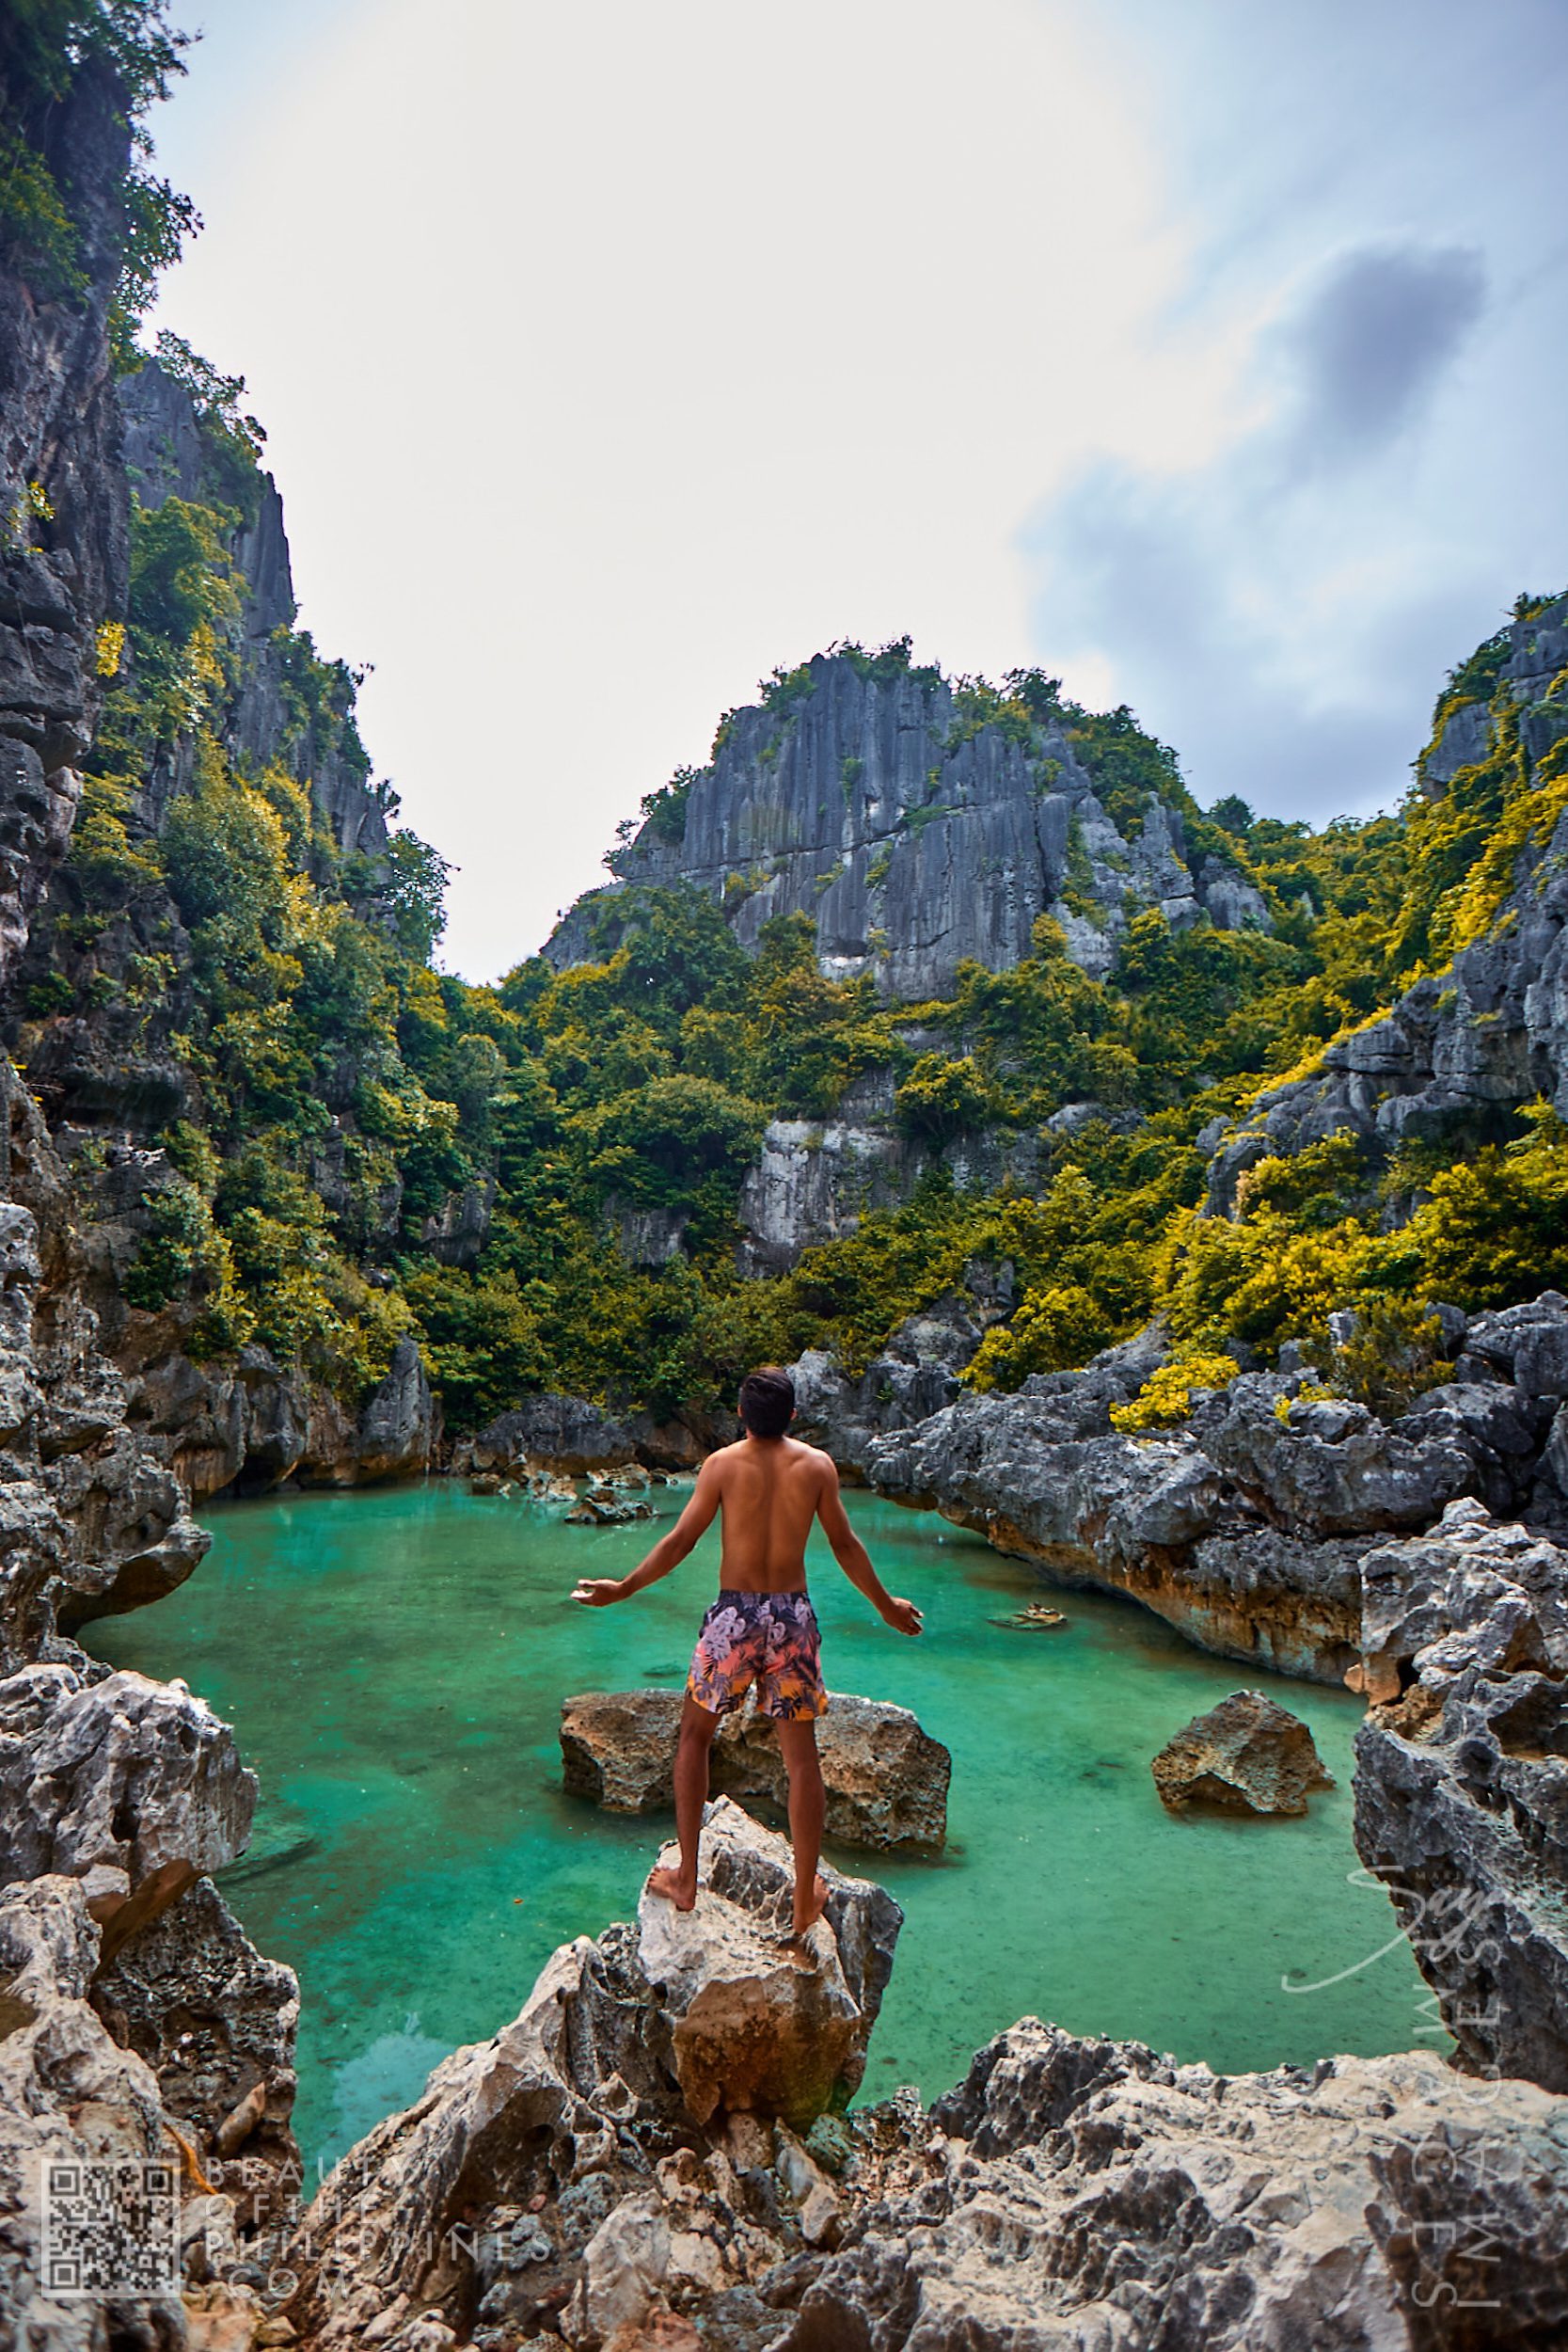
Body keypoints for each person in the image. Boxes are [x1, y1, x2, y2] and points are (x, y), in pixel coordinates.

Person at [571, 1365, 923, 1934]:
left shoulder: (721, 1466)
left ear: (739, 1414)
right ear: (792, 1414)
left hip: (733, 1618)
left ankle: (687, 1879)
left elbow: (680, 1540)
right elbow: (844, 1544)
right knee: (800, 1758)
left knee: (693, 1737)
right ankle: (804, 1897)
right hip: (791, 1616)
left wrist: (624, 1588)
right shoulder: (815, 1467)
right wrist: (885, 1607)